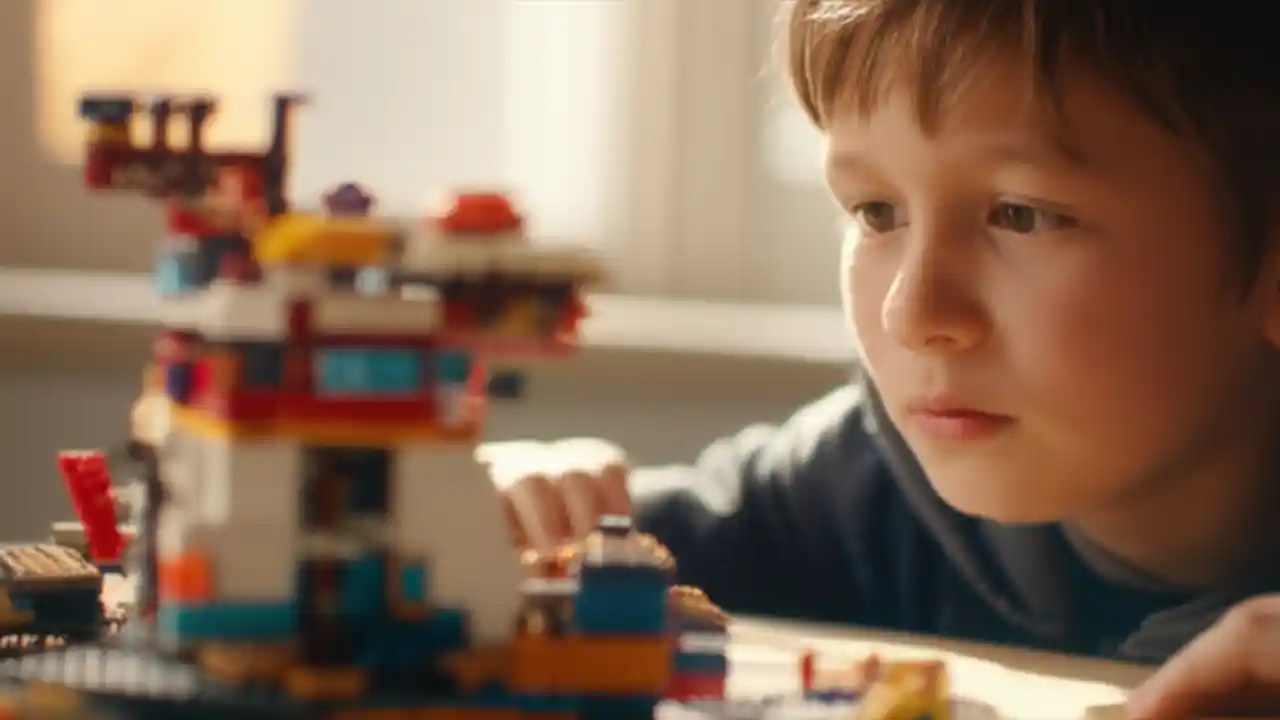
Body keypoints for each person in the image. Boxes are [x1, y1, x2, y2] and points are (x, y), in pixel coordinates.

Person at [482, 0, 1280, 716]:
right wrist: (515, 509)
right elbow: (567, 559)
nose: (913, 313)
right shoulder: (862, 484)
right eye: (876, 211)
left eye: (1022, 215)